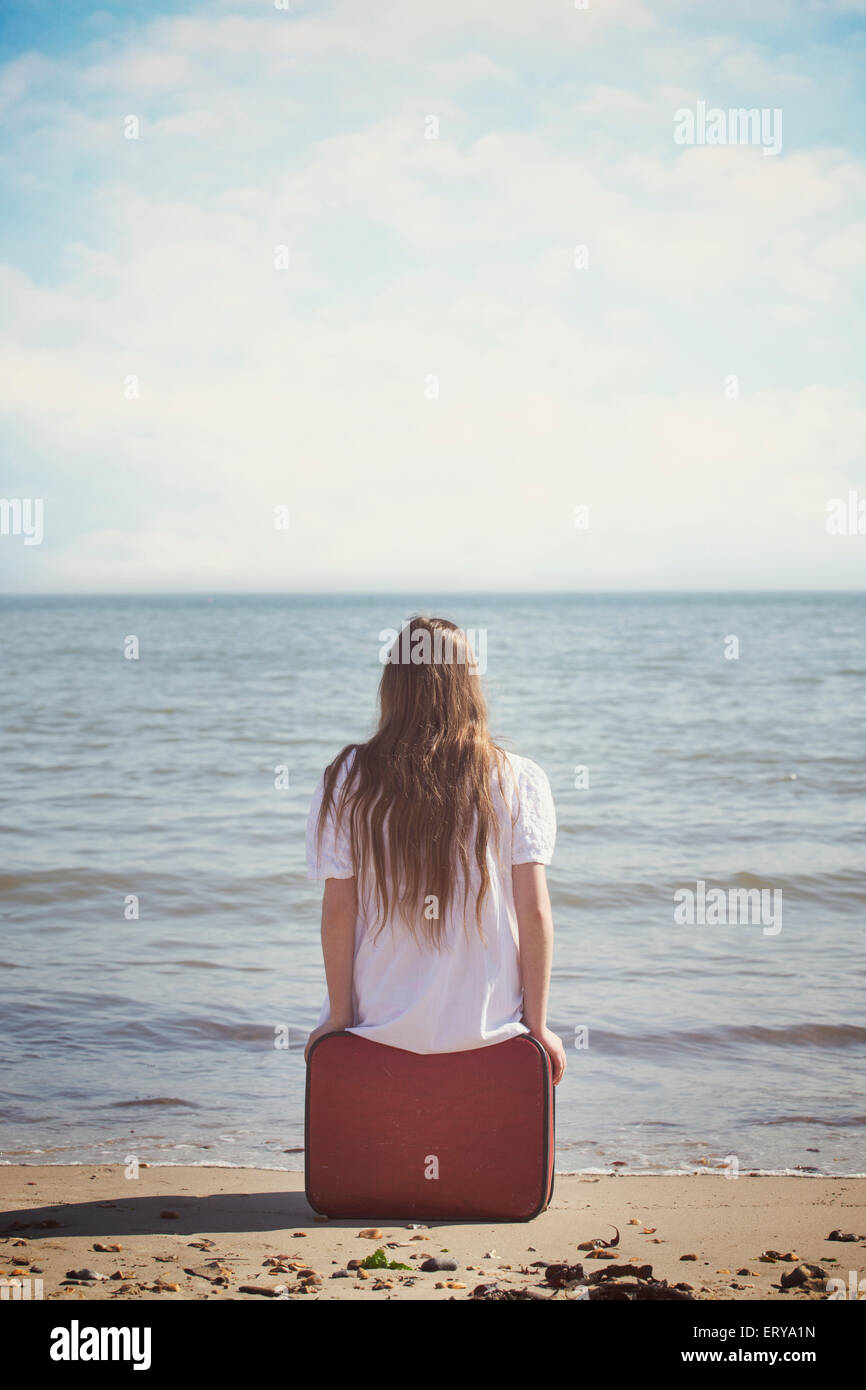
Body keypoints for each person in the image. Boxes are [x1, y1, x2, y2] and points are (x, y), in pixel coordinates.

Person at [303, 615, 566, 1084]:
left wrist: (338, 1019)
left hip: (376, 1027)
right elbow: (535, 912)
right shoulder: (519, 778)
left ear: (392, 687)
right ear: (468, 686)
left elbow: (338, 910)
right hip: (490, 1028)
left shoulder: (348, 777)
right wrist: (538, 1026)